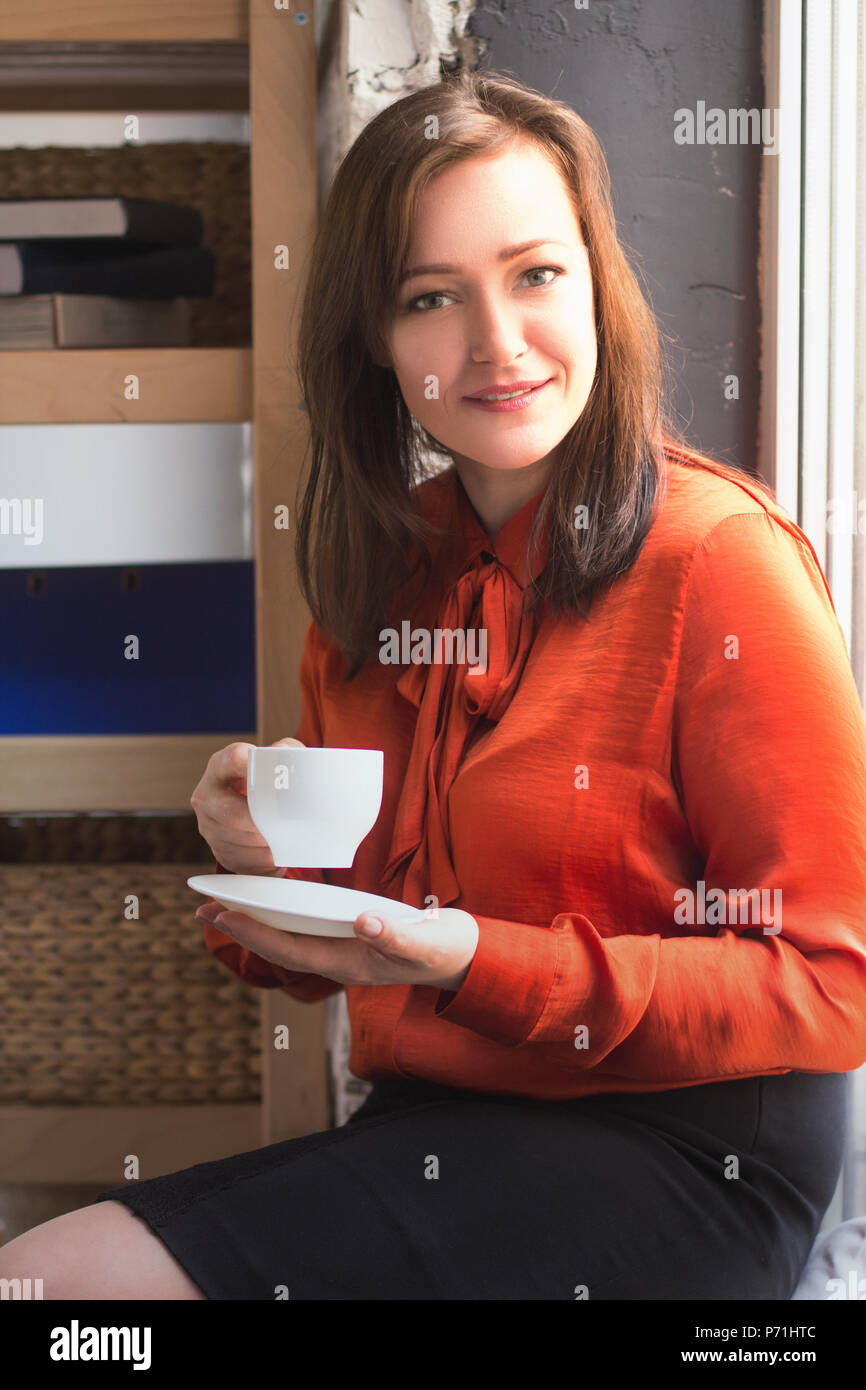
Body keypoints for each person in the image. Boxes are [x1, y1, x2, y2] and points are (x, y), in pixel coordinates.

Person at [2, 69, 864, 1301]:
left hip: (687, 1153)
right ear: (374, 335)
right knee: (47, 1293)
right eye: (430, 297)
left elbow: (830, 982)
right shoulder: (379, 568)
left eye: (534, 274)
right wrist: (266, 871)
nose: (497, 344)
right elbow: (346, 937)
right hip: (436, 1126)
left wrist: (473, 958)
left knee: (59, 1290)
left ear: (595, 283)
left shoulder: (719, 561)